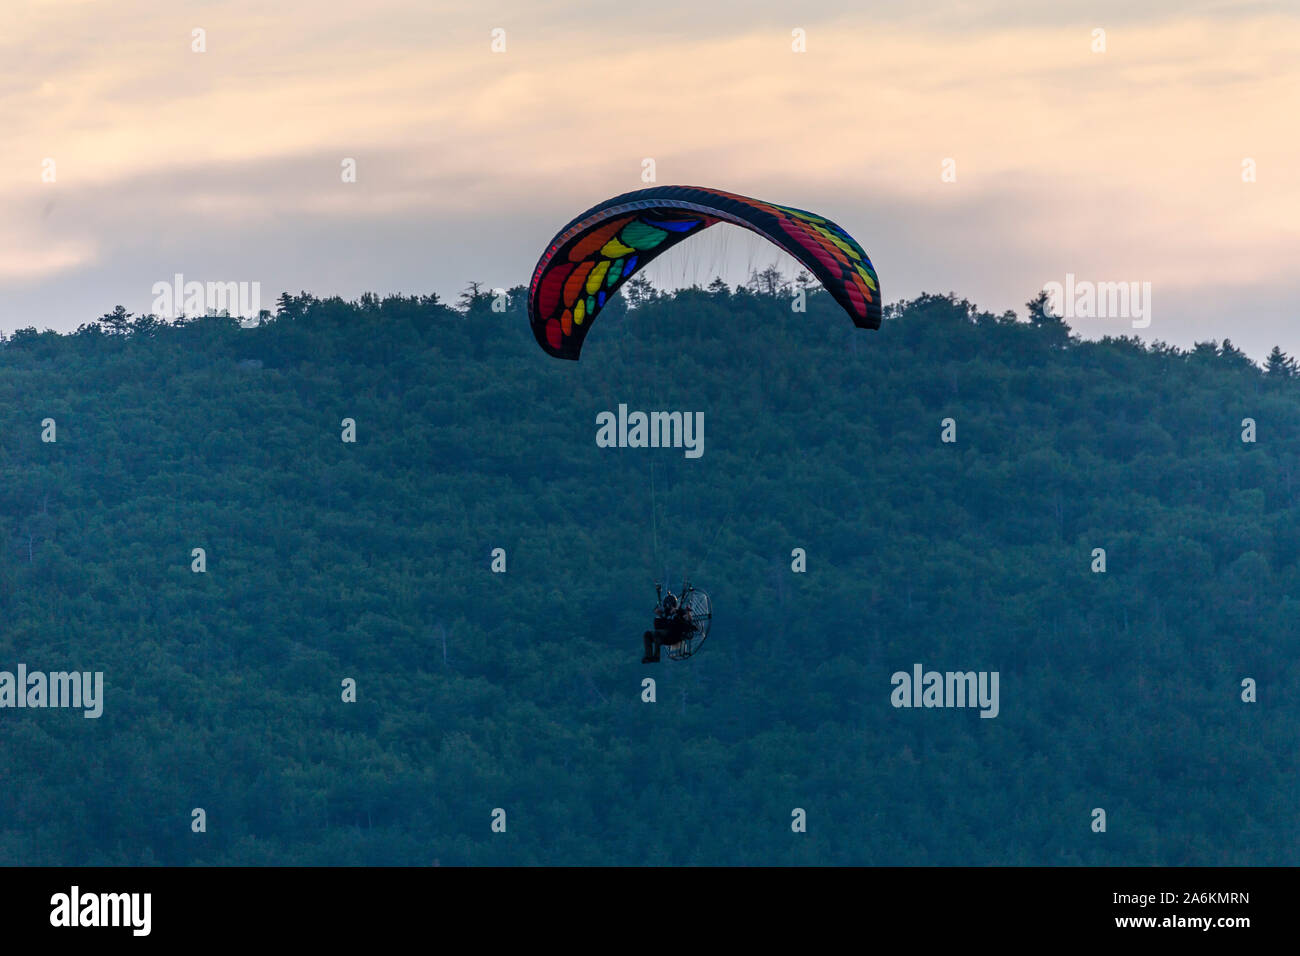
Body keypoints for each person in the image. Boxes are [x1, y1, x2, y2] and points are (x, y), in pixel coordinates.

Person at [642, 584, 694, 663]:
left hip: (674, 636)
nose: (669, 608)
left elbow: (688, 619)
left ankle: (656, 657)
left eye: (670, 606)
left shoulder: (680, 612)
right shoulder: (665, 614)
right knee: (647, 634)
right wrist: (660, 614)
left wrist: (687, 612)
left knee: (657, 633)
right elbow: (658, 619)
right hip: (664, 637)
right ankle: (648, 656)